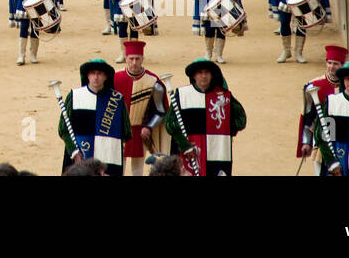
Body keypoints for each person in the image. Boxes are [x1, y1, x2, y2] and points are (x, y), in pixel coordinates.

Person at [164, 58, 246, 176]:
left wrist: (226, 131)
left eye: (207, 72)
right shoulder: (182, 94)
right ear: (194, 76)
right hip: (188, 151)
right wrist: (183, 144)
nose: (204, 76)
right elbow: (170, 123)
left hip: (218, 151)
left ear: (212, 75)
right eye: (200, 72)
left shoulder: (224, 96)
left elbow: (240, 120)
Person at [57, 58, 130, 173]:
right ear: (87, 76)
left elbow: (126, 132)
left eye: (99, 73)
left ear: (106, 77)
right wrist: (74, 152)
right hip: (78, 157)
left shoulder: (117, 100)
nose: (96, 77)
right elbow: (63, 129)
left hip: (109, 159)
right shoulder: (74, 96)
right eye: (93, 73)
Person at [113, 40, 167, 175]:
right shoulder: (114, 78)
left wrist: (148, 127)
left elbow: (161, 111)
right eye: (131, 59)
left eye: (137, 59)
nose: (134, 62)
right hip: (118, 129)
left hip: (140, 131)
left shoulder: (152, 81)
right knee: (118, 165)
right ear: (126, 59)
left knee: (138, 169)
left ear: (143, 59)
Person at [297, 43, 347, 160]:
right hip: (321, 135)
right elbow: (308, 115)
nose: (331, 67)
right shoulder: (313, 85)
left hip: (344, 137)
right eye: (329, 63)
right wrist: (306, 142)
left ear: (342, 65)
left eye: (335, 63)